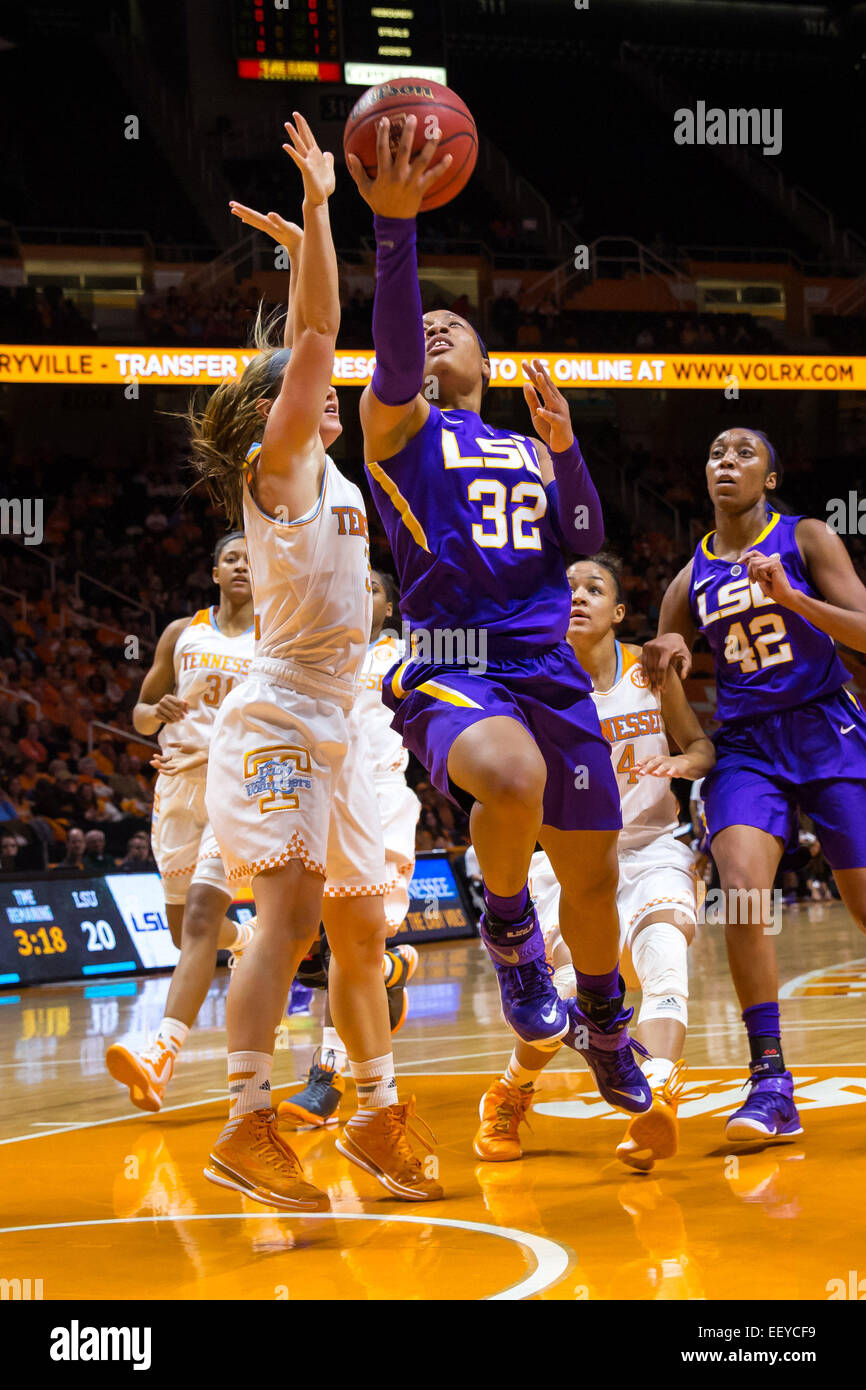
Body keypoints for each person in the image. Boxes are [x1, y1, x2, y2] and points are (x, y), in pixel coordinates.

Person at [347, 115, 652, 1113]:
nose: (435, 328)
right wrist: (395, 231)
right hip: (449, 652)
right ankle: (511, 933)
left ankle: (604, 1023)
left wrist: (563, 448)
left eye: (455, 323)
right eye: (421, 323)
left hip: (544, 664)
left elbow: (581, 533)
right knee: (508, 775)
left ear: (485, 351)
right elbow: (393, 356)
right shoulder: (397, 426)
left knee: (595, 876)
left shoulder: (524, 444)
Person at [192, 115, 442, 1210]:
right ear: (269, 418)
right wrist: (322, 211)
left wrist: (303, 250)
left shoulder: (331, 479)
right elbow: (318, 338)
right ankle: (247, 1122)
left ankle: (375, 1115)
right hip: (281, 717)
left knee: (358, 928)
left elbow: (309, 335)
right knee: (287, 921)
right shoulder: (279, 466)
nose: (320, 385)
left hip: (340, 723)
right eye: (299, 384)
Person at [643, 426, 866, 1141]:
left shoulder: (807, 539)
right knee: (741, 890)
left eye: (744, 453)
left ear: (769, 478)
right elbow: (675, 709)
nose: (726, 462)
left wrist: (796, 603)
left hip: (826, 726)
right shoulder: (687, 581)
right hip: (745, 745)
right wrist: (667, 677)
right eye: (715, 453)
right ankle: (770, 1081)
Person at [474, 554, 715, 1170]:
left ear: (619, 611)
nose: (577, 596)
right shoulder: (527, 680)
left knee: (665, 960)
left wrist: (686, 765)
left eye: (594, 587)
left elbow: (699, 744)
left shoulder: (650, 668)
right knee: (559, 1001)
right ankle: (509, 1092)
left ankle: (655, 1096)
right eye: (566, 588)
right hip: (568, 857)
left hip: (651, 846)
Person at [104, 531, 256, 1112]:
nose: (242, 565)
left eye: (250, 558)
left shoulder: (276, 634)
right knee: (180, 931)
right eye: (231, 558)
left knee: (198, 916)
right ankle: (244, 940)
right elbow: (141, 715)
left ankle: (161, 1055)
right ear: (214, 572)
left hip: (237, 787)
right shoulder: (180, 632)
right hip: (176, 787)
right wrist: (156, 710)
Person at [278, 569, 421, 1129]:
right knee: (321, 953)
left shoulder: (408, 657)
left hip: (382, 800)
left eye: (375, 590)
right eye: (352, 585)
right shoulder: (311, 650)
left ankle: (326, 1081)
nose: (361, 595)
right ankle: (391, 969)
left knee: (346, 950)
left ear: (389, 610)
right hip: (318, 801)